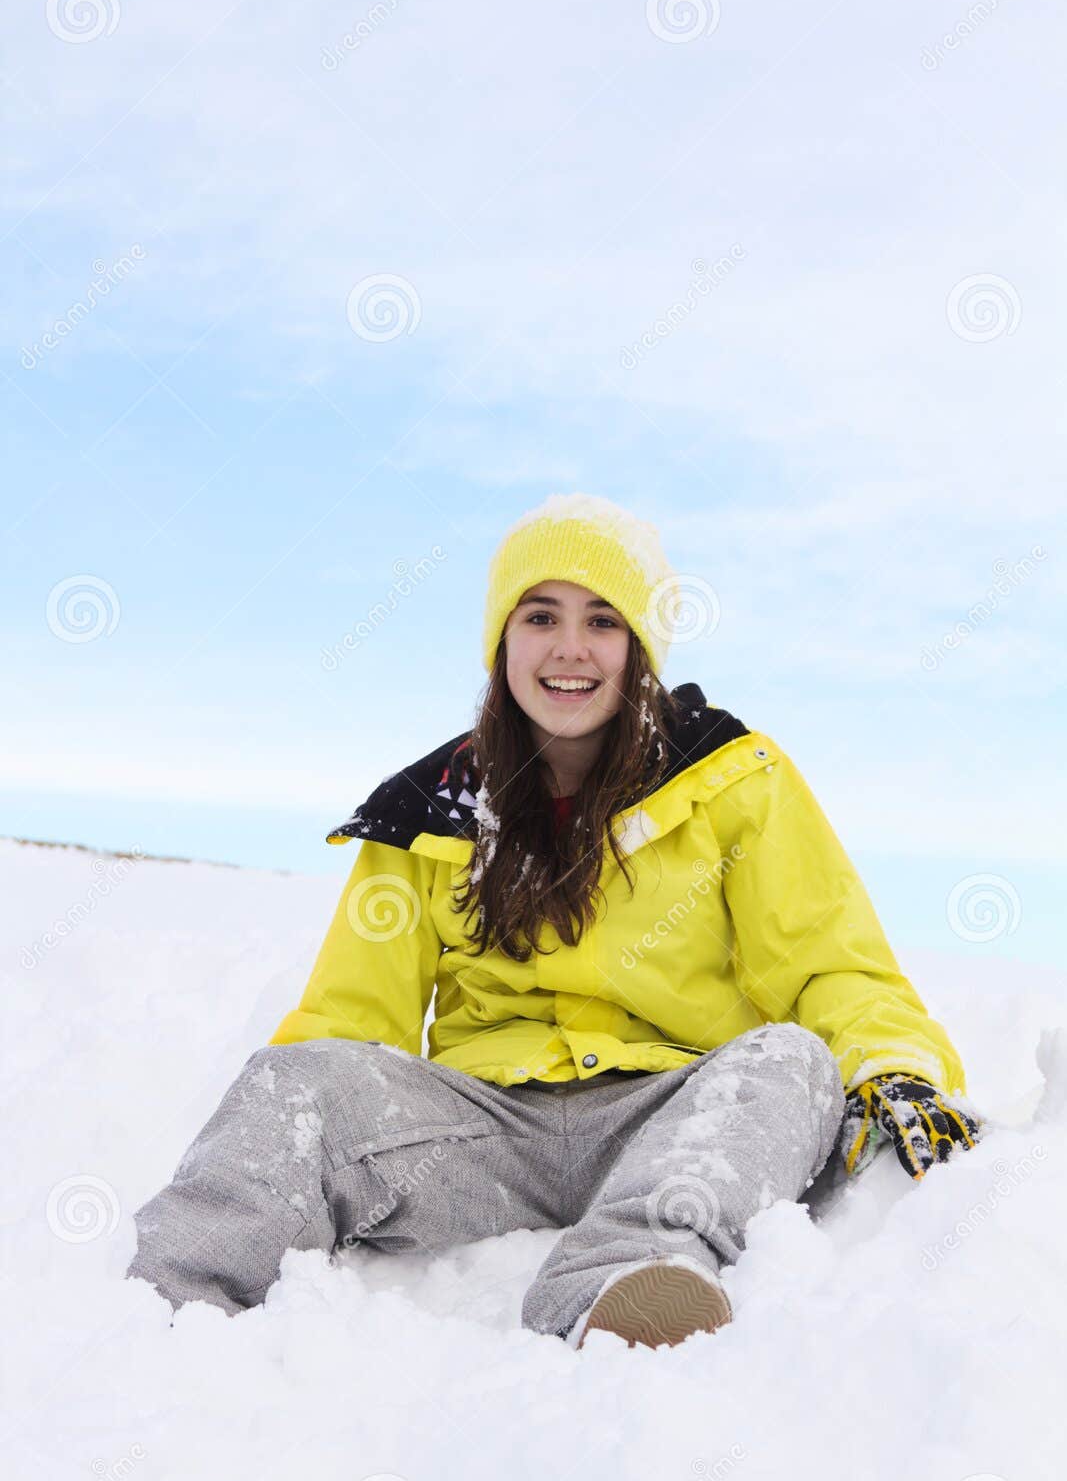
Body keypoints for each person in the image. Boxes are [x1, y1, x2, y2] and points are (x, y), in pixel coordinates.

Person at [126, 492, 982, 1350]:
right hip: (480, 1134)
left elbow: (829, 962)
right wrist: (314, 1097)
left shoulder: (731, 779)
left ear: (638, 648)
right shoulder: (426, 814)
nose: (570, 647)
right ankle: (162, 1308)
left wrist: (896, 1068)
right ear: (503, 640)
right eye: (541, 615)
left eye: (602, 621)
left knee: (790, 1058)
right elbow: (351, 1024)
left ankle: (630, 1282)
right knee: (295, 1079)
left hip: (674, 1120)